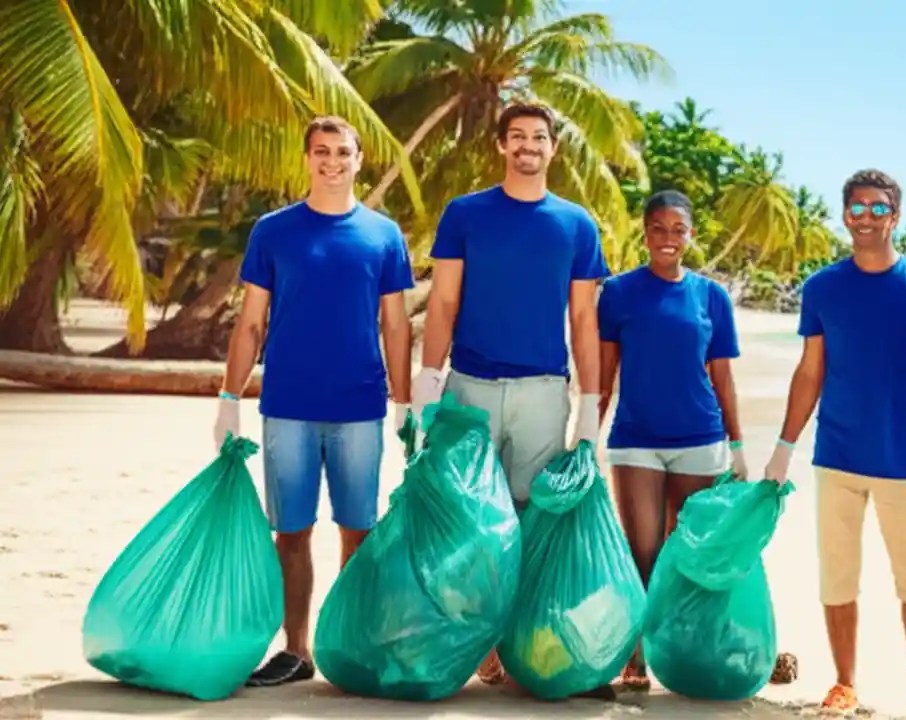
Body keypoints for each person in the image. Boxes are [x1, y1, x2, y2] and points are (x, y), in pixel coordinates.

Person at [409, 102, 610, 688]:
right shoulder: (465, 214)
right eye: (517, 136)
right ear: (501, 145)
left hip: (545, 390)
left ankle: (513, 641)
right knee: (468, 514)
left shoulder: (577, 224)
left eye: (539, 137)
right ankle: (471, 636)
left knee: (527, 514)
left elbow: (583, 319)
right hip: (469, 385)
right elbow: (443, 302)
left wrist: (592, 408)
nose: (528, 145)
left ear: (554, 148)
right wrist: (428, 385)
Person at [213, 115, 416, 686]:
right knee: (292, 531)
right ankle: (297, 651)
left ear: (359, 159)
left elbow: (396, 327)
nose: (332, 161)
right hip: (287, 406)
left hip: (360, 408)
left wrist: (405, 405)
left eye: (343, 152)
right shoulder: (274, 231)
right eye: (321, 151)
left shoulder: (383, 235)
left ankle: (350, 646)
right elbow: (251, 322)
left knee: (359, 530)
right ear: (306, 158)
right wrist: (229, 397)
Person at [762, 170, 906, 719]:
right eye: (857, 209)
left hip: (904, 462)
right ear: (845, 216)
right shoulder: (822, 288)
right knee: (837, 575)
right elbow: (811, 370)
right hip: (836, 456)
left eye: (878, 209)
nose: (867, 218)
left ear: (896, 216)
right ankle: (844, 683)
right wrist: (783, 446)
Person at [595, 189, 749, 689]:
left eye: (677, 230)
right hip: (636, 438)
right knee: (643, 553)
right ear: (645, 233)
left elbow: (722, 377)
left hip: (700, 439)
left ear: (691, 235)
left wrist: (740, 446)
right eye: (658, 229)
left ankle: (685, 653)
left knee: (687, 555)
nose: (667, 238)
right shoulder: (618, 293)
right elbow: (604, 374)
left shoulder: (711, 296)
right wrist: (582, 440)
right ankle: (635, 656)